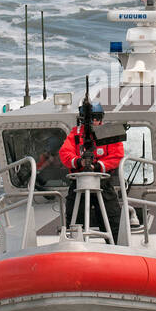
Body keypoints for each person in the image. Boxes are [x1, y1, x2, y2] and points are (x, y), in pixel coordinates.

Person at [59, 101, 125, 241]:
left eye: (97, 118)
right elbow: (65, 153)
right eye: (91, 118)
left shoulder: (108, 133)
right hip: (79, 183)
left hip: (103, 182)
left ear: (101, 118)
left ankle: (115, 245)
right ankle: (77, 248)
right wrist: (79, 162)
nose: (94, 121)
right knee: (76, 221)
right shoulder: (75, 134)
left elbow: (117, 155)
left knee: (112, 220)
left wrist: (98, 166)